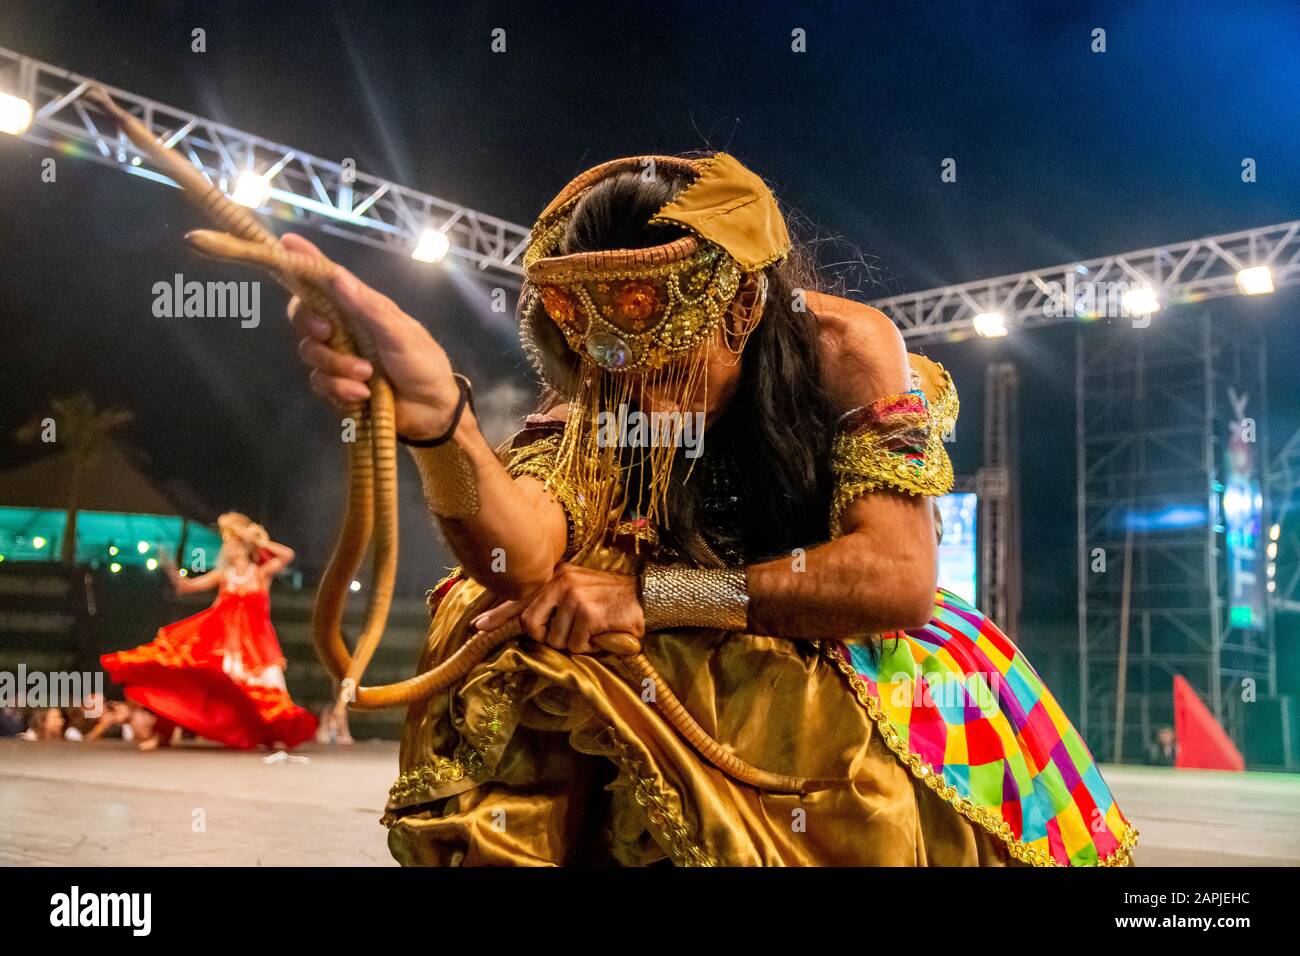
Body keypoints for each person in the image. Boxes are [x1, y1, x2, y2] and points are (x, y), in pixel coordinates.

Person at [285, 152, 1136, 866]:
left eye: (668, 367)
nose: (639, 399)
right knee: (507, 629)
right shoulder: (606, 378)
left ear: (741, 308)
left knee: (779, 697)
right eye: (614, 371)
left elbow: (900, 580)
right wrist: (442, 423)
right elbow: (524, 557)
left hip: (836, 645)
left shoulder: (848, 348)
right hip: (665, 643)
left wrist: (655, 596)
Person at [101, 513, 317, 751]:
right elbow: (188, 586)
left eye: (233, 542)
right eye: (228, 542)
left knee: (262, 693)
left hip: (255, 645)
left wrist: (256, 540)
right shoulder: (224, 575)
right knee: (187, 676)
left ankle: (265, 734)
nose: (228, 546)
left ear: (244, 546)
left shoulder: (260, 573)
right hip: (223, 643)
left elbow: (288, 555)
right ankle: (165, 732)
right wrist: (172, 570)